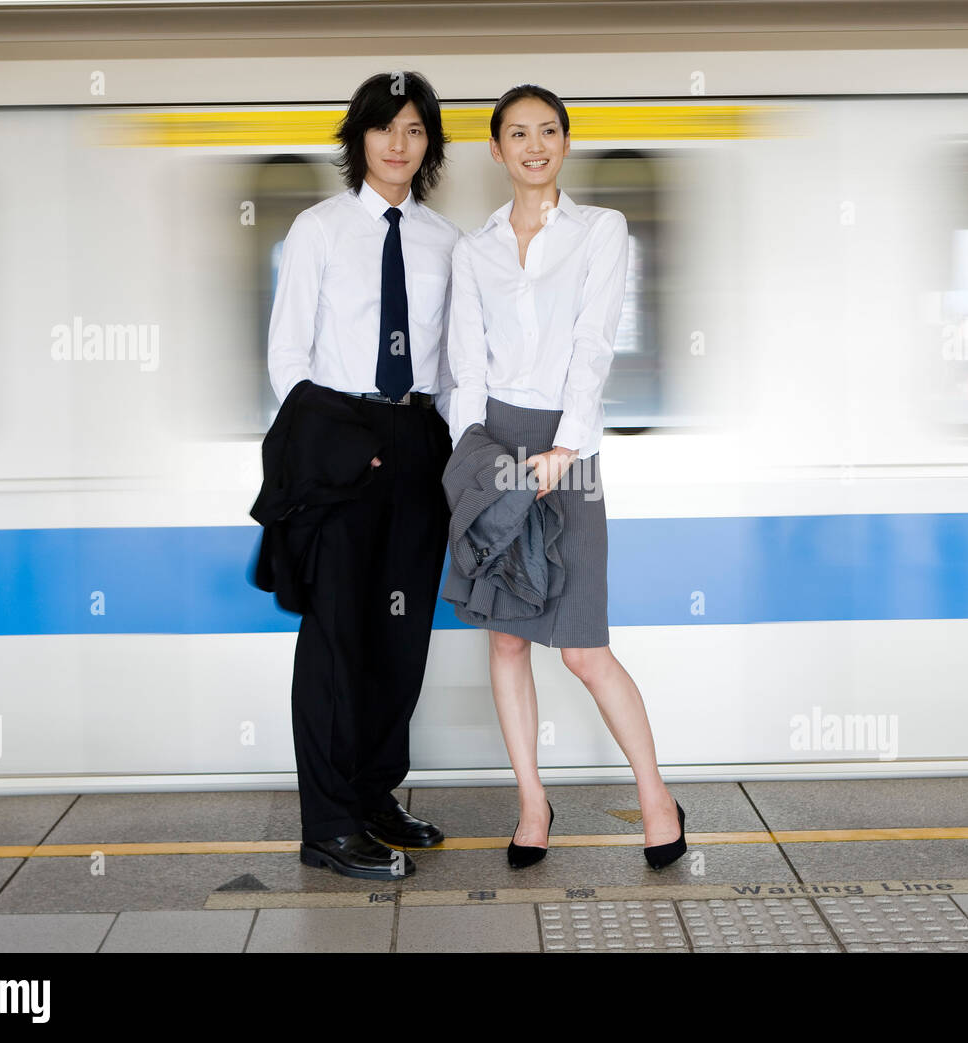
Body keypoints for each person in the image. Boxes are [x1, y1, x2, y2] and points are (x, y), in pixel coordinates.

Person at [445, 84, 688, 870]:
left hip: (566, 445)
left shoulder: (600, 230)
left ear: (566, 141)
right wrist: (476, 468)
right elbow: (463, 367)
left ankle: (655, 796)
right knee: (509, 639)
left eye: (547, 130)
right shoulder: (472, 248)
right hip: (494, 443)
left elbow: (594, 344)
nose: (534, 145)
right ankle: (532, 803)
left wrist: (567, 448)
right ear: (496, 150)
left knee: (583, 646)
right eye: (517, 133)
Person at [266, 71, 461, 880]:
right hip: (340, 438)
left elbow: (452, 362)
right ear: (360, 138)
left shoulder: (445, 241)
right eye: (385, 128)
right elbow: (286, 358)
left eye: (415, 131)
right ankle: (328, 822)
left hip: (420, 438)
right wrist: (346, 447)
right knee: (336, 642)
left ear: (428, 145)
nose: (398, 143)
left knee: (400, 639)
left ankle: (376, 795)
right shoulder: (317, 230)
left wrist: (449, 448)